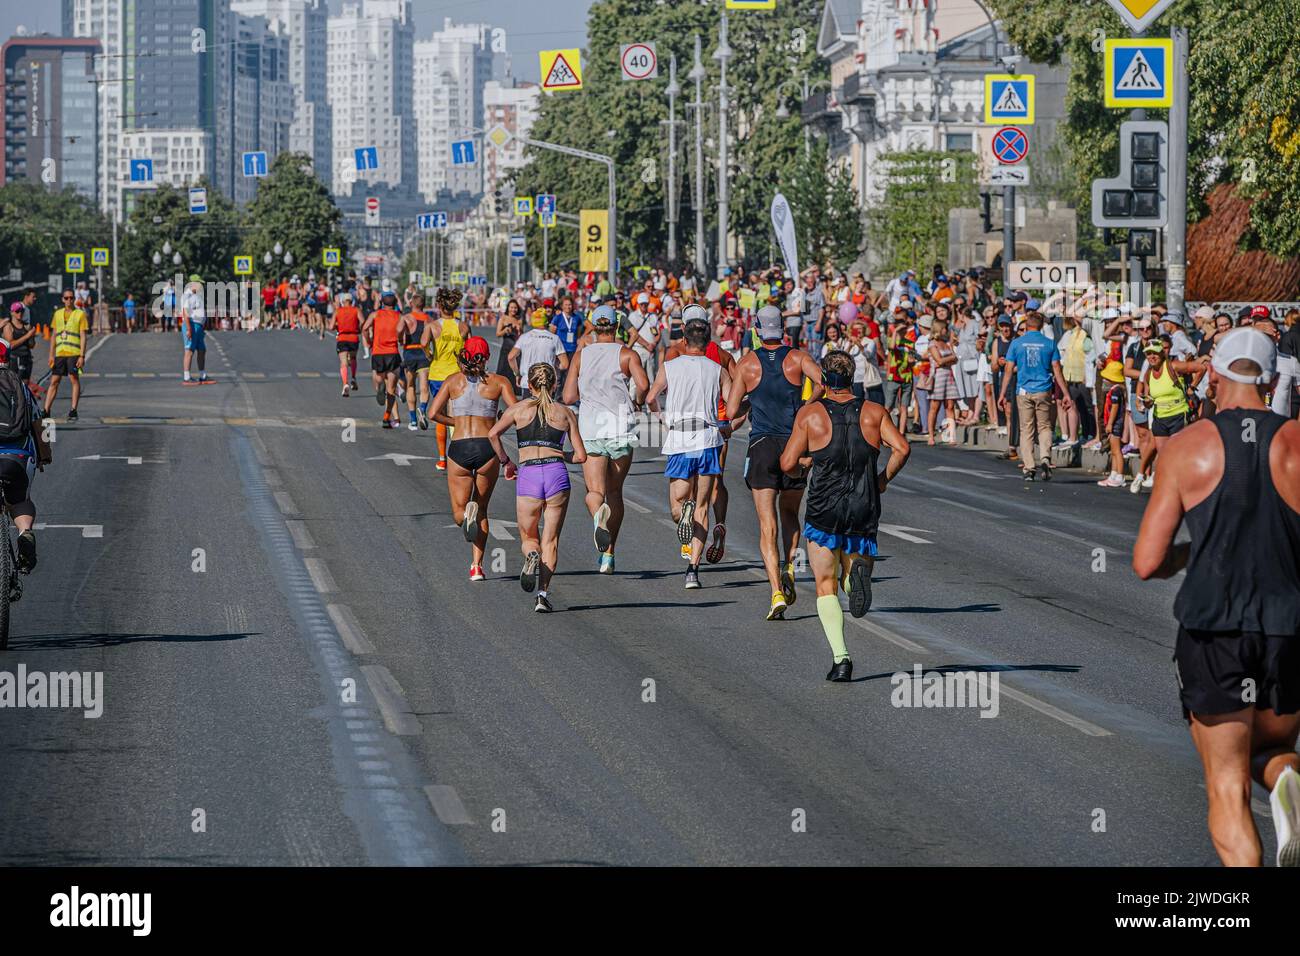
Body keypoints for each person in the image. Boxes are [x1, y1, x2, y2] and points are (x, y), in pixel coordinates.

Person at [1133, 328, 1300, 868]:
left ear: (1214, 375)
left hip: (1214, 627)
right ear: (1273, 380)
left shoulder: (1188, 446)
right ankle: (1288, 782)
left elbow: (1147, 561)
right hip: (1287, 627)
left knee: (1226, 782)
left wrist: (1189, 555)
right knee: (1269, 748)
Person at [780, 350, 910, 680]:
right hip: (863, 503)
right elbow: (903, 448)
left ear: (825, 379)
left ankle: (842, 660)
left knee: (825, 586)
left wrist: (805, 466)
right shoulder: (874, 412)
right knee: (851, 569)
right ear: (852, 377)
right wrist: (882, 480)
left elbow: (786, 463)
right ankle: (855, 581)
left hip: (824, 506)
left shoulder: (810, 414)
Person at [726, 305, 823, 619]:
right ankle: (790, 566)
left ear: (756, 329)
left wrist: (751, 399)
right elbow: (825, 381)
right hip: (793, 444)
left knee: (766, 526)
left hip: (762, 445)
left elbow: (729, 413)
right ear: (782, 329)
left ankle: (776, 593)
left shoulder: (746, 364)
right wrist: (806, 405)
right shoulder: (797, 357)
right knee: (791, 512)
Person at [488, 363, 586, 612]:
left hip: (529, 473)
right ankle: (542, 595)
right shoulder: (565, 413)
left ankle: (531, 555)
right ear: (555, 385)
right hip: (556, 474)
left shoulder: (518, 410)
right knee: (550, 541)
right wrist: (560, 455)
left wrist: (506, 462)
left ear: (529, 385)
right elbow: (581, 456)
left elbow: (492, 434)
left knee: (529, 538)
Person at [561, 305, 648, 573]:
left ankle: (598, 517)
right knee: (615, 492)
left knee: (595, 493)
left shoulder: (581, 355)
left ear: (592, 326)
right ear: (617, 325)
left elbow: (568, 398)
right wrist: (637, 401)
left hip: (591, 429)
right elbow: (643, 385)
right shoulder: (627, 353)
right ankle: (609, 555)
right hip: (620, 428)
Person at [646, 316, 727, 590]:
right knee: (703, 508)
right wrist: (729, 423)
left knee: (676, 507)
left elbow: (649, 397)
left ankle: (684, 515)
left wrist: (662, 419)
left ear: (683, 340)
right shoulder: (717, 369)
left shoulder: (670, 366)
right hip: (707, 437)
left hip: (679, 437)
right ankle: (692, 571)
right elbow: (734, 400)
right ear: (707, 342)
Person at [430, 336, 517, 581]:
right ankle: (477, 567)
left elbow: (432, 413)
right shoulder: (498, 382)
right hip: (487, 446)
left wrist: (455, 421)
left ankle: (465, 517)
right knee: (482, 510)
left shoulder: (452, 381)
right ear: (487, 357)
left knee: (460, 513)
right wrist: (498, 421)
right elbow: (516, 411)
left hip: (459, 446)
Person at [997, 311, 1073, 481]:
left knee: (1026, 429)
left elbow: (1008, 370)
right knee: (1045, 426)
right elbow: (1057, 370)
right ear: (1040, 326)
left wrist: (1002, 394)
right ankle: (1045, 457)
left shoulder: (1016, 343)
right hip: (1044, 389)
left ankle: (1029, 468)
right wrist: (1066, 393)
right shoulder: (1050, 344)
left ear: (1027, 325)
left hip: (1023, 390)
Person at [0, 340, 52, 573]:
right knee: (21, 500)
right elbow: (41, 423)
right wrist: (44, 456)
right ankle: (25, 533)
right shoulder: (21, 387)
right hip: (19, 457)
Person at [427, 288, 470, 467]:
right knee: (455, 415)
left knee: (441, 415)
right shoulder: (463, 326)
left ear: (439, 306)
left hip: (437, 374)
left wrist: (430, 354)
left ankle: (442, 459)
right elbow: (471, 348)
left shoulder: (433, 326)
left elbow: (422, 343)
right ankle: (457, 457)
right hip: (457, 375)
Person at [44, 290, 88, 422]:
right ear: (62, 299)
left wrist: (82, 356)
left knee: (74, 379)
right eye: (66, 298)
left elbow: (83, 336)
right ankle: (46, 410)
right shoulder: (57, 314)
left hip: (74, 353)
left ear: (74, 299)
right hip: (60, 354)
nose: (69, 300)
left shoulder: (80, 314)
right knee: (54, 381)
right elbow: (53, 335)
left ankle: (73, 410)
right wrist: (51, 355)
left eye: (71, 298)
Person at [363, 291, 403, 428]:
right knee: (391, 389)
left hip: (378, 352)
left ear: (382, 302)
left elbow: (364, 328)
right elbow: (403, 332)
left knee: (378, 379)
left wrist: (369, 341)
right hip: (393, 353)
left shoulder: (375, 314)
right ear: (395, 303)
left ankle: (380, 386)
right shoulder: (399, 316)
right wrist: (401, 340)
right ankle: (386, 418)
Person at [509, 309, 568, 398]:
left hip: (528, 382)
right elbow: (565, 364)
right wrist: (554, 366)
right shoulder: (554, 338)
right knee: (546, 411)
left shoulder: (524, 337)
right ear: (546, 321)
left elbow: (511, 357)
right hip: (547, 383)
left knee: (528, 411)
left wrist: (517, 374)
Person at [398, 294, 432, 432]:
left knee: (410, 386)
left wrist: (401, 340)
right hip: (423, 354)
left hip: (410, 352)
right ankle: (422, 409)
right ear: (423, 304)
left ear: (411, 304)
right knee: (424, 387)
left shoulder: (406, 318)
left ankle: (412, 420)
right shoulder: (429, 319)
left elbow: (399, 330)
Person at [179, 275, 210, 385]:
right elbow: (186, 313)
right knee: (189, 351)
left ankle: (202, 376)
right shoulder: (188, 295)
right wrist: (188, 329)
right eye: (199, 284)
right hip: (191, 324)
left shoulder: (195, 295)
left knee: (202, 350)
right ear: (193, 284)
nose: (201, 286)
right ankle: (187, 378)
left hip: (198, 326)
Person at [330, 292, 361, 396]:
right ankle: (353, 377)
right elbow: (363, 322)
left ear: (343, 301)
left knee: (343, 362)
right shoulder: (356, 310)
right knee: (353, 358)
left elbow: (330, 327)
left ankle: (345, 384)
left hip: (342, 338)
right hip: (353, 338)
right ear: (351, 301)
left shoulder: (338, 311)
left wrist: (337, 325)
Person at [495, 299, 524, 392]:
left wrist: (519, 330)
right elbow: (498, 333)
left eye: (515, 308)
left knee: (516, 367)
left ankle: (515, 388)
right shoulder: (503, 318)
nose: (513, 309)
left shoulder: (519, 320)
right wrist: (505, 330)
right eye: (511, 307)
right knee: (504, 367)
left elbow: (522, 336)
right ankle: (501, 388)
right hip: (506, 346)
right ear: (508, 308)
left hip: (516, 346)